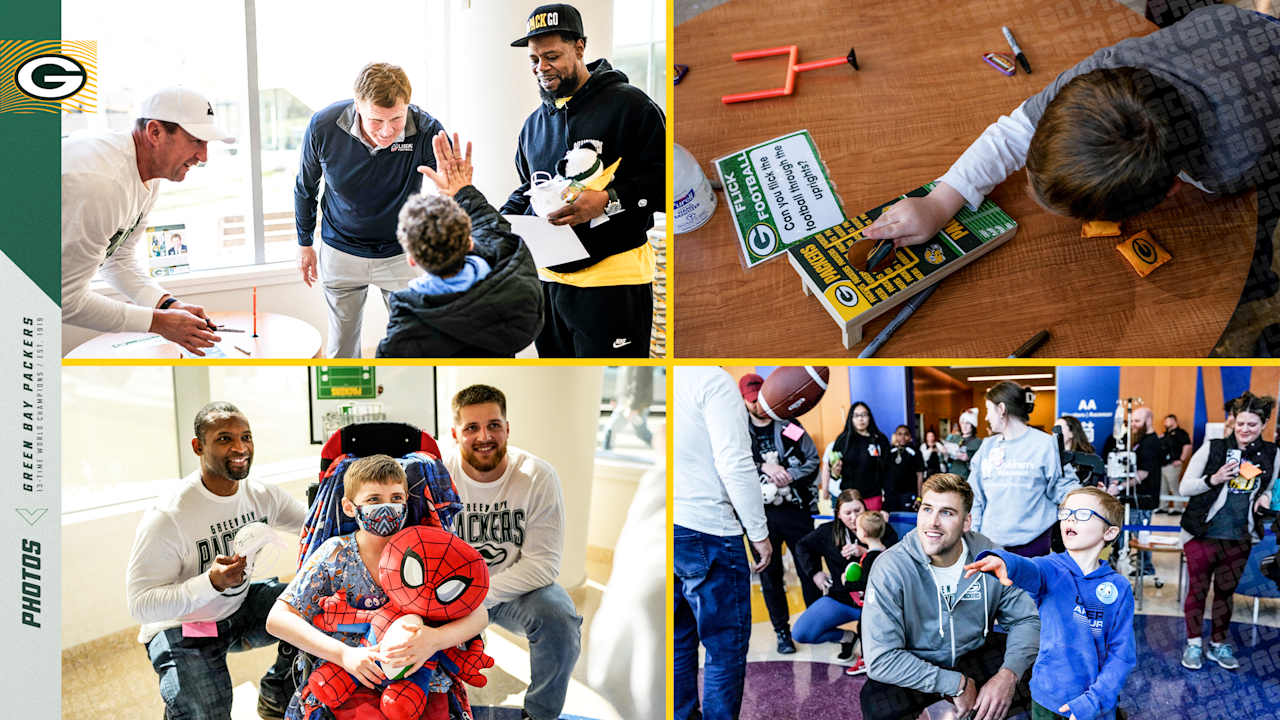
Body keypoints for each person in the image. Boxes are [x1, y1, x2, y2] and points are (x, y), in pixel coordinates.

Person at [861, 6, 1280, 353]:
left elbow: (1249, 190)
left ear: (1172, 188)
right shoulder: (1103, 73)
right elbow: (1011, 134)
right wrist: (941, 200)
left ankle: (1257, 289)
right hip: (1230, 31)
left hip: (1264, 92)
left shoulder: (1228, 164)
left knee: (1251, 238)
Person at [265, 455, 489, 720]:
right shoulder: (335, 554)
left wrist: (434, 640)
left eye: (396, 498)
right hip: (347, 674)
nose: (387, 507)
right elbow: (277, 619)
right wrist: (343, 654)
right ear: (349, 507)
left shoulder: (428, 547)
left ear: (407, 501)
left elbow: (479, 614)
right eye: (373, 500)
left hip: (418, 676)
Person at [125, 402, 308, 720]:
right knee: (205, 712)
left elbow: (314, 527)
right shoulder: (169, 516)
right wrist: (210, 582)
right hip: (184, 628)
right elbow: (140, 605)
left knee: (318, 605)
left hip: (239, 611)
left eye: (246, 437)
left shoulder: (262, 495)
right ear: (198, 446)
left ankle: (277, 691)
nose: (240, 448)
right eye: (225, 439)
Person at [502, 3, 666, 357]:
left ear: (579, 47)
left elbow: (665, 183)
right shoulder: (533, 125)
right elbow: (528, 188)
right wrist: (497, 223)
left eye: (552, 56)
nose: (541, 68)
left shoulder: (632, 107)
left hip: (613, 282)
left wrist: (608, 199)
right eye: (534, 60)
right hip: (549, 284)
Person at [441, 384, 582, 720]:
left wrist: (477, 597)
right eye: (471, 428)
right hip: (449, 593)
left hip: (514, 588)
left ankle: (540, 714)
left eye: (493, 425)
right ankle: (443, 710)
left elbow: (544, 566)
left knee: (559, 617)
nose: (484, 436)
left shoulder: (537, 476)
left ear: (507, 428)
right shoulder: (439, 475)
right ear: (455, 433)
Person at [62, 87, 233, 356]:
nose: (204, 157)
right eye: (196, 141)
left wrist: (168, 305)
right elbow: (64, 299)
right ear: (155, 132)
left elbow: (117, 259)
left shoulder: (147, 177)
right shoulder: (101, 182)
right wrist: (159, 323)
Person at [295, 63, 446, 358]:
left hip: (401, 252)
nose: (387, 131)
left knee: (412, 343)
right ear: (357, 107)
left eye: (397, 119)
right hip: (341, 250)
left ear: (407, 107)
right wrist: (304, 243)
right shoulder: (324, 127)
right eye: (376, 120)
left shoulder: (428, 129)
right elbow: (305, 187)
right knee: (342, 345)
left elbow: (448, 191)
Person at [860, 473, 1039, 720]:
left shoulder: (989, 557)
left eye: (947, 513)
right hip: (916, 661)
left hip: (972, 652)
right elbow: (881, 658)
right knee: (877, 703)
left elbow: (1027, 620)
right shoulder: (891, 567)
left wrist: (1008, 675)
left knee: (1037, 673)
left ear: (966, 522)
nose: (932, 522)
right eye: (927, 509)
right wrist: (956, 684)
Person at [964, 487, 1135, 720]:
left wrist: (1094, 701)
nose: (1071, 518)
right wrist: (1003, 560)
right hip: (1046, 698)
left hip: (1094, 704)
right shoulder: (1049, 568)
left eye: (1083, 513)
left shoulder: (1119, 588)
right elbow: (1028, 568)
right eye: (1066, 512)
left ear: (1109, 532)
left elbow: (1122, 655)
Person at [376, 132, 542, 357]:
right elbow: (493, 227)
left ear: (412, 259)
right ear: (470, 241)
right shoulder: (513, 276)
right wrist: (463, 190)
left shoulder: (406, 328)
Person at [673, 366, 772, 720]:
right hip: (708, 528)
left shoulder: (673, 375)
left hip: (669, 527)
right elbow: (734, 461)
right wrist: (758, 532)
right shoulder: (712, 380)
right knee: (724, 647)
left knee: (678, 641)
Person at [1177, 392, 1278, 671]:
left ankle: (1218, 643)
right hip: (1202, 534)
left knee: (1225, 592)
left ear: (1264, 424)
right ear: (1233, 422)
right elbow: (1185, 487)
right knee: (1197, 591)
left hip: (1239, 537)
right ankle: (1194, 643)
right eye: (1240, 424)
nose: (1245, 430)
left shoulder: (1272, 454)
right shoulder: (1213, 447)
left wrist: (1266, 498)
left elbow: (1270, 488)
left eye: (1252, 425)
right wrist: (1215, 478)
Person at [738, 372, 821, 653]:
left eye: (759, 400)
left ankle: (815, 624)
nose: (756, 407)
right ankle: (782, 633)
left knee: (808, 569)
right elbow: (730, 464)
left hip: (796, 510)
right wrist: (764, 466)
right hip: (761, 516)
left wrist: (789, 474)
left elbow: (812, 459)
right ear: (743, 402)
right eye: (750, 402)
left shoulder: (789, 426)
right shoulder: (737, 431)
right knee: (770, 575)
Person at [970, 382, 1079, 557]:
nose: (986, 418)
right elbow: (975, 497)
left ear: (1001, 409)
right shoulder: (987, 447)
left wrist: (1089, 497)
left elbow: (1064, 489)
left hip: (1033, 546)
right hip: (990, 545)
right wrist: (973, 536)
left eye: (988, 410)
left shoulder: (1046, 445)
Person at [793, 490, 897, 670]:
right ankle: (847, 638)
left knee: (882, 647)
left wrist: (866, 551)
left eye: (857, 510)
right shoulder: (827, 532)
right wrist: (815, 573)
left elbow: (897, 559)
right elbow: (802, 546)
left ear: (865, 508)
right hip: (841, 597)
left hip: (876, 601)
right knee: (802, 632)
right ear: (838, 514)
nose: (853, 517)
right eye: (847, 513)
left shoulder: (880, 527)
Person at [1111, 407, 1164, 579]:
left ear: (1148, 421)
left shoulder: (1151, 443)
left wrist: (1119, 488)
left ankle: (1146, 568)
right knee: (1127, 534)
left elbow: (1142, 474)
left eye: (1137, 421)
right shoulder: (1138, 440)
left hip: (1144, 498)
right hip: (1132, 497)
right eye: (1132, 421)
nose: (1133, 425)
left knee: (1140, 536)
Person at [831, 401, 890, 510]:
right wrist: (835, 471)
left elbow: (888, 470)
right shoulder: (843, 440)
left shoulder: (880, 439)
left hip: (873, 496)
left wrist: (887, 501)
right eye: (856, 415)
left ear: (869, 417)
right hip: (849, 497)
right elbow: (834, 473)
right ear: (851, 418)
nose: (861, 419)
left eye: (864, 415)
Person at [602, 365, 655, 450]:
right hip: (626, 403)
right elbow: (624, 381)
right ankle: (663, 450)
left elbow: (638, 384)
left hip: (632, 405)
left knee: (610, 429)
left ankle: (665, 450)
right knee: (642, 433)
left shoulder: (640, 365)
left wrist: (634, 407)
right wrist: (615, 398)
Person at [886, 424, 926, 512]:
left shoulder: (915, 452)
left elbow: (920, 475)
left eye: (906, 434)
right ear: (895, 436)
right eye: (899, 434)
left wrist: (919, 497)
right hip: (891, 494)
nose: (903, 437)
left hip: (908, 493)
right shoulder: (889, 451)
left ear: (910, 436)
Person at [1056, 415, 1103, 486]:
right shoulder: (1051, 455)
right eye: (1054, 428)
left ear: (1072, 433)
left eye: (1059, 428)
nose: (1055, 432)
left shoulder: (1087, 459)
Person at [1160, 414, 1193, 513]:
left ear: (1174, 421)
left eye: (1167, 420)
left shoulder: (1181, 433)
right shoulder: (1165, 435)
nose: (1165, 423)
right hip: (1163, 464)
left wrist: (1181, 460)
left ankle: (1178, 507)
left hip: (1173, 464)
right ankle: (1163, 507)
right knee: (1163, 487)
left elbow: (1187, 446)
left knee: (1173, 486)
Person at [945, 408, 982, 480]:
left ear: (973, 425)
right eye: (962, 423)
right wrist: (945, 453)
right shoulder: (955, 439)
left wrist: (967, 458)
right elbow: (948, 460)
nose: (964, 426)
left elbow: (978, 462)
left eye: (967, 423)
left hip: (967, 477)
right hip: (953, 475)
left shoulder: (978, 442)